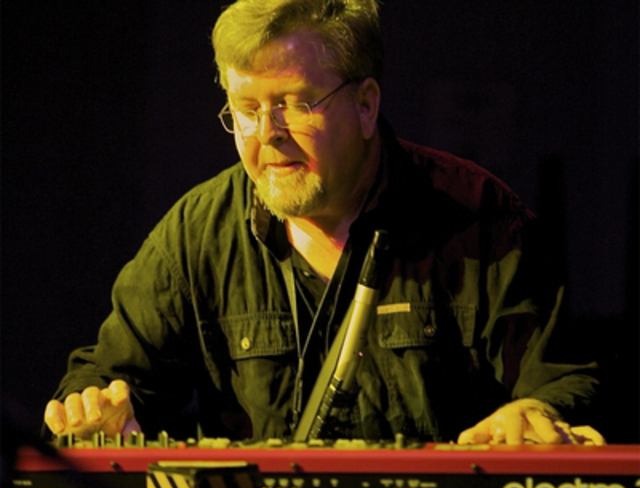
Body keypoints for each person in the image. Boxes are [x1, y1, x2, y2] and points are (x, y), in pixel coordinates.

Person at [43, 0, 604, 446]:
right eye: (247, 110)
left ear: (366, 105)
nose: (268, 134)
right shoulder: (197, 233)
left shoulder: (482, 217)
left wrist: (538, 411)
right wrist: (95, 407)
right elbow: (111, 378)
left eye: (295, 103)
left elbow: (565, 381)